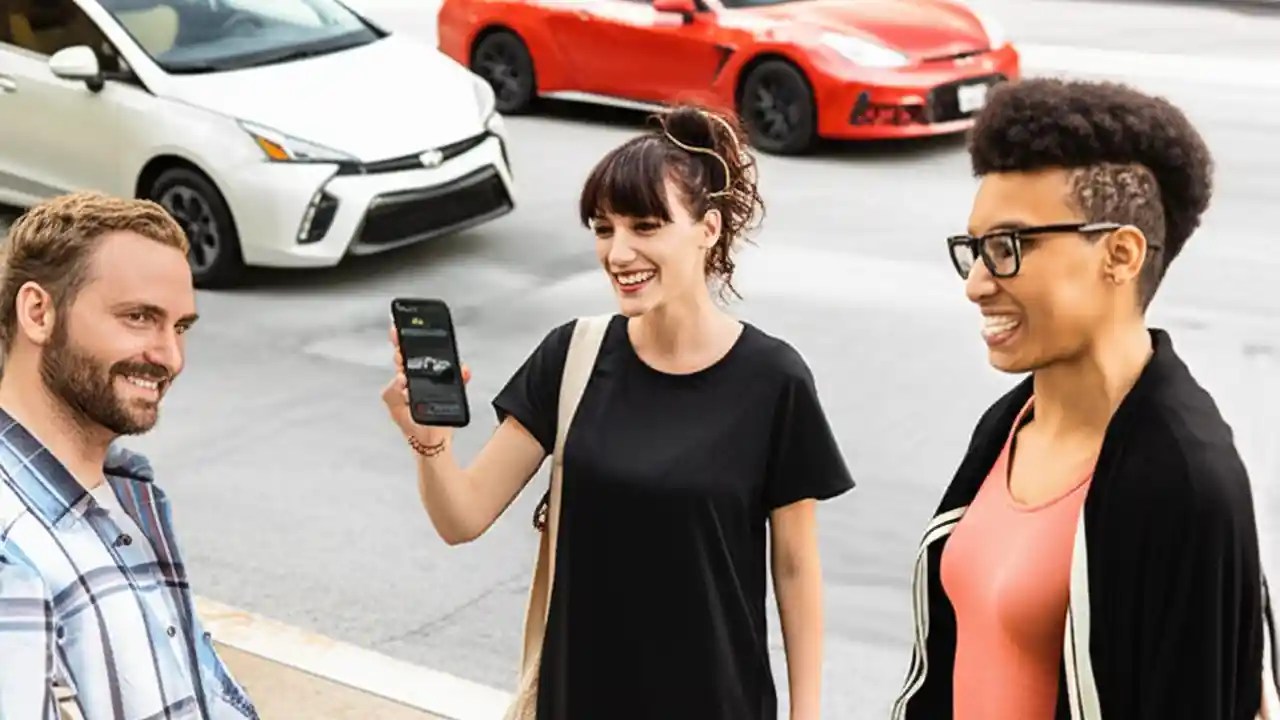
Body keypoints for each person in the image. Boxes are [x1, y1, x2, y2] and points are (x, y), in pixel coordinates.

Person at [381, 105, 855, 720]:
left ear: (708, 230)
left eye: (646, 226)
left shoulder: (773, 379)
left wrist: (806, 713)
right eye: (604, 229)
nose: (618, 252)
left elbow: (794, 566)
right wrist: (429, 443)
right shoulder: (571, 356)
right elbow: (462, 518)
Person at [892, 77, 1280, 720]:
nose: (977, 284)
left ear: (1119, 255)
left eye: (1009, 248)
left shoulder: (1185, 480)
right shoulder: (1008, 426)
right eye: (975, 250)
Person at [0, 192, 258, 719]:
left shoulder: (123, 493)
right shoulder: (14, 553)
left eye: (180, 327)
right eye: (139, 317)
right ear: (38, 313)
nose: (170, 357)